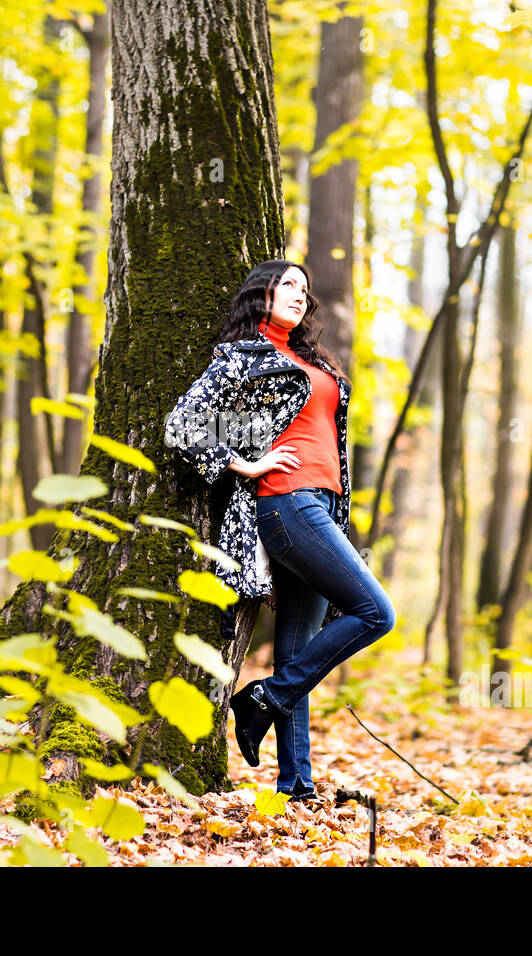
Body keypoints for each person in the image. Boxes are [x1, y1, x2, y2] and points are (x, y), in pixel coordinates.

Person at [162, 259, 396, 804]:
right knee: (375, 612)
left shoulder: (310, 359)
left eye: (304, 289)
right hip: (285, 504)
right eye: (287, 284)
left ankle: (297, 787)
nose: (299, 294)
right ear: (259, 293)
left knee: (297, 652)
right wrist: (240, 463)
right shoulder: (243, 357)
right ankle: (261, 698)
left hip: (326, 507)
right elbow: (182, 425)